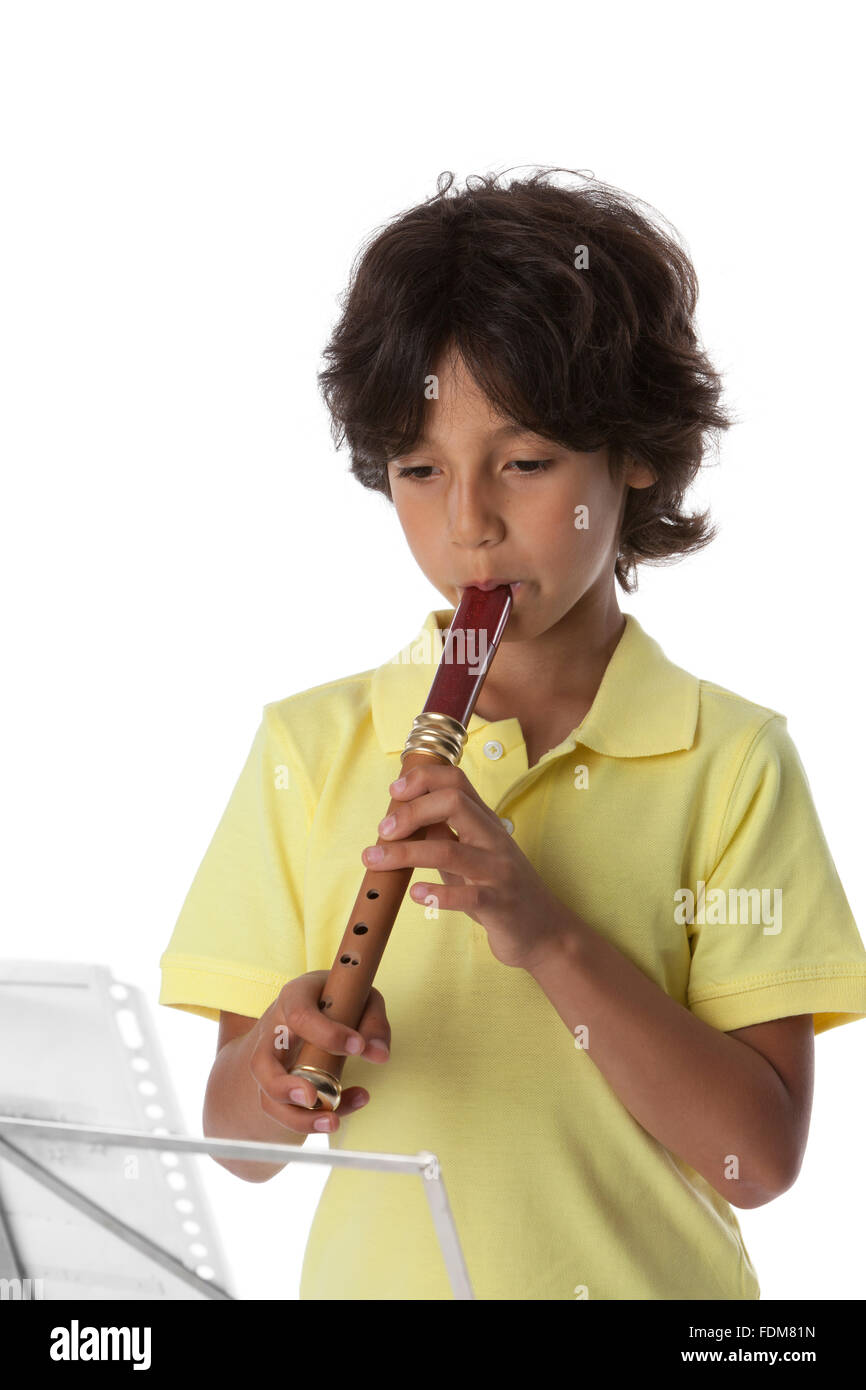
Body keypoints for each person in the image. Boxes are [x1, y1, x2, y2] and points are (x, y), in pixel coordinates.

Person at [159, 167, 866, 1300]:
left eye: (525, 463)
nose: (468, 523)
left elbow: (758, 1158)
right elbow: (238, 1148)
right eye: (418, 470)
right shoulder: (310, 745)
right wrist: (285, 1063)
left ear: (634, 453)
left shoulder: (728, 759)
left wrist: (544, 931)